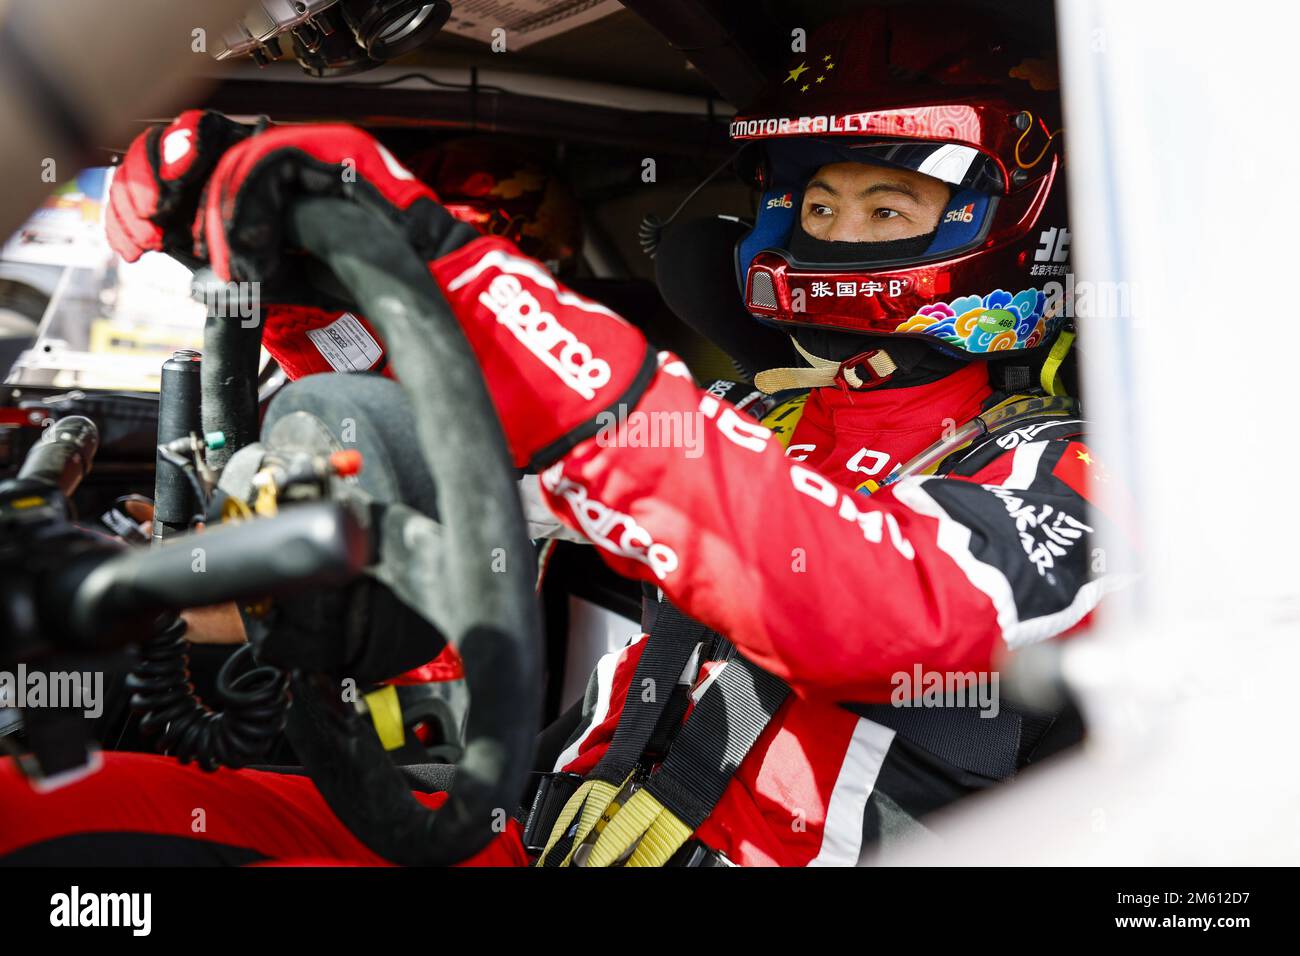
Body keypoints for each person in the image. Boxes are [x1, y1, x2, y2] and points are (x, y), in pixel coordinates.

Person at [0, 5, 1126, 866]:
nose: (837, 232)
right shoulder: (757, 419)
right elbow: (457, 475)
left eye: (888, 209)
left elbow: (866, 605)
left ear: (1012, 227)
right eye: (820, 202)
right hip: (524, 834)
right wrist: (309, 295)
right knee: (36, 805)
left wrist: (449, 259)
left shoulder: (1070, 471)